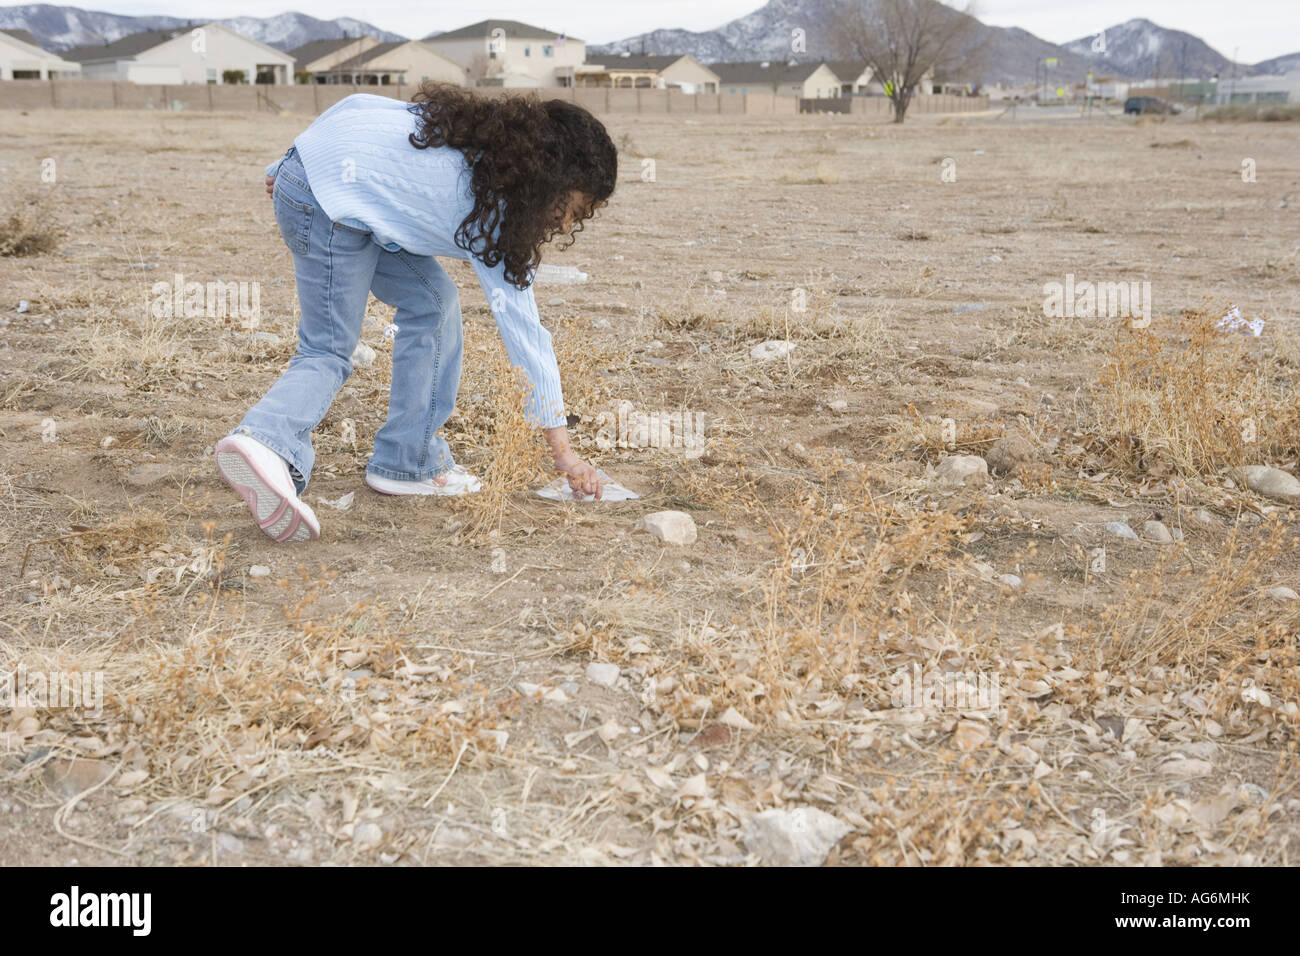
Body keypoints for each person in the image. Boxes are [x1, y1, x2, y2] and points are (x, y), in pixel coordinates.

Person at [214, 84, 614, 542]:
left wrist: (289, 163)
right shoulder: (498, 217)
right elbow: (527, 339)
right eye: (570, 206)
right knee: (328, 349)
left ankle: (407, 461)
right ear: (547, 178)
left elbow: (358, 107)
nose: (564, 225)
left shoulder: (472, 135)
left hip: (331, 191)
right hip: (325, 206)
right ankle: (264, 440)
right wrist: (564, 455)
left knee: (433, 304)